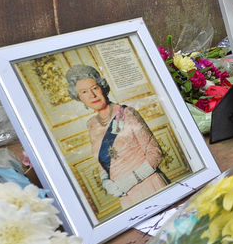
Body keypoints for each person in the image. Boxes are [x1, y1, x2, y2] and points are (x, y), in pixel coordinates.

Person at [68, 64, 168, 211]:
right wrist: (106, 182)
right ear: (80, 98)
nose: (92, 95)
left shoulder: (125, 113)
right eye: (84, 92)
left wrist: (128, 181)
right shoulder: (92, 125)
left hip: (149, 185)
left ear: (102, 87)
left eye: (94, 88)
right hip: (125, 196)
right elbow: (103, 160)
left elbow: (155, 153)